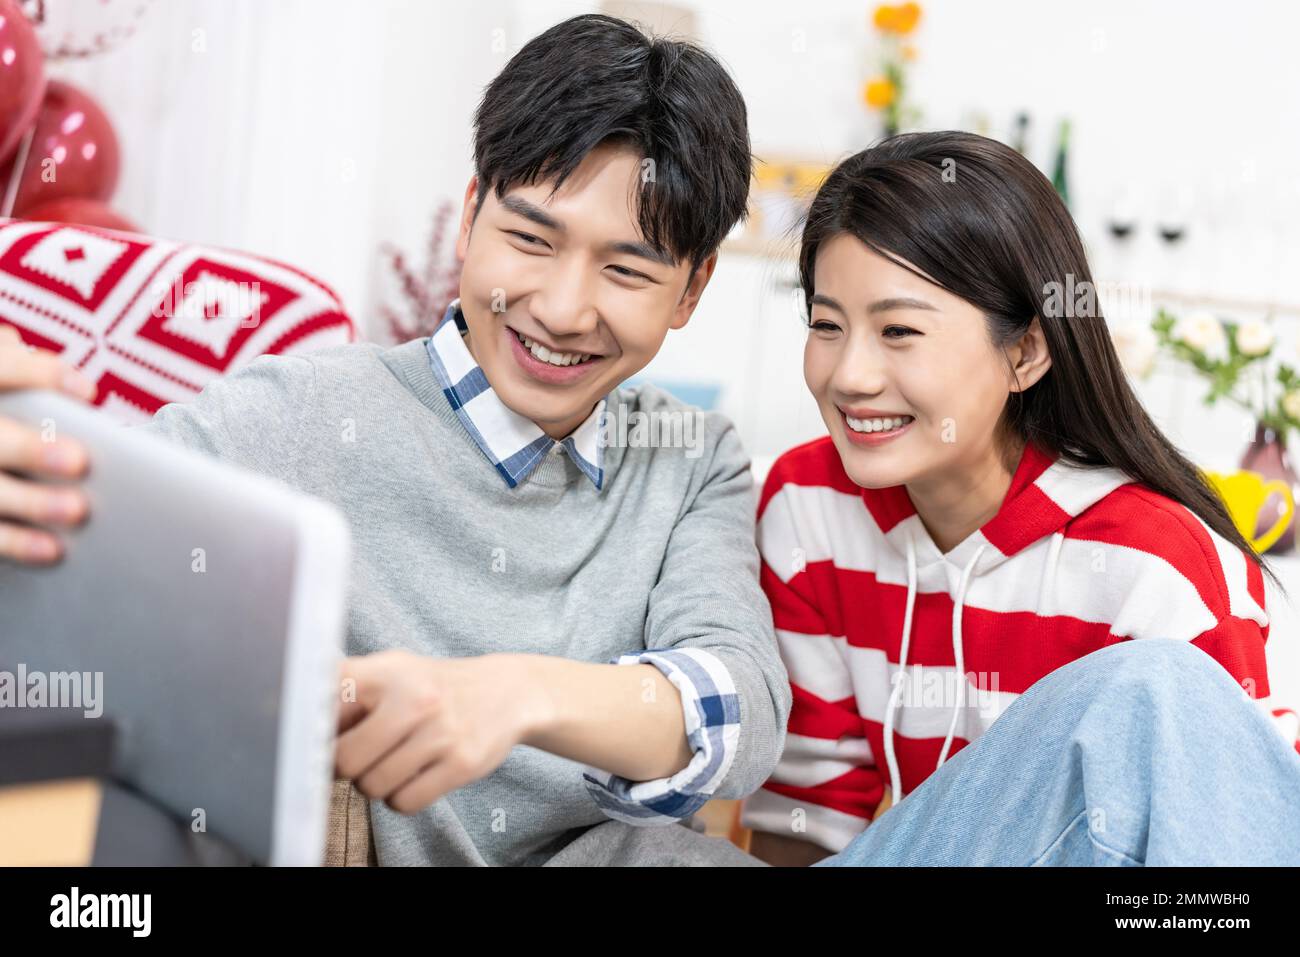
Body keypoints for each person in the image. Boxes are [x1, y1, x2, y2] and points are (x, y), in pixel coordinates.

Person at [742, 131, 1300, 866]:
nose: (850, 375)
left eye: (899, 330)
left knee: (1157, 687)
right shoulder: (807, 505)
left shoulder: (1155, 561)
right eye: (826, 324)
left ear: (1027, 351)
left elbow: (1226, 852)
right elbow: (805, 825)